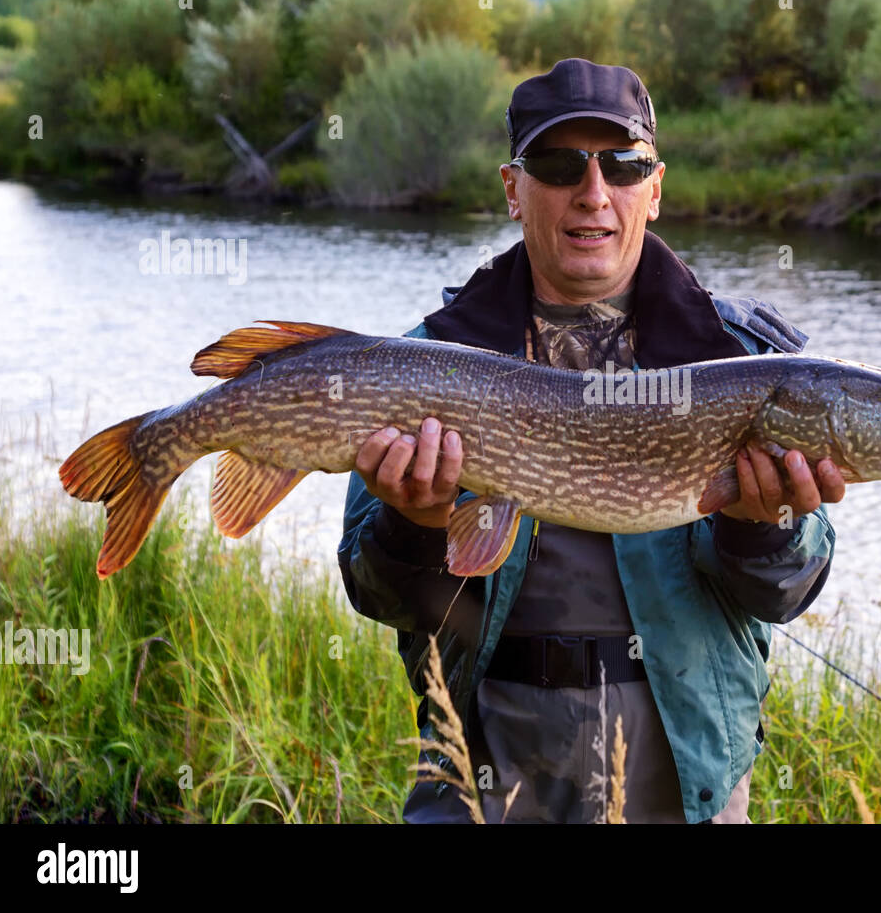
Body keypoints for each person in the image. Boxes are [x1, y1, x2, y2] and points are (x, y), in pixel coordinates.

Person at [338, 58, 846, 824]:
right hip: (488, 774)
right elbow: (379, 594)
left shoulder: (740, 361)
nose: (594, 192)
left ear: (656, 185)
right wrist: (412, 521)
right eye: (558, 164)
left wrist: (761, 525)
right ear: (513, 188)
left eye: (623, 164)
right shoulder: (427, 361)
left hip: (682, 786)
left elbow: (786, 595)